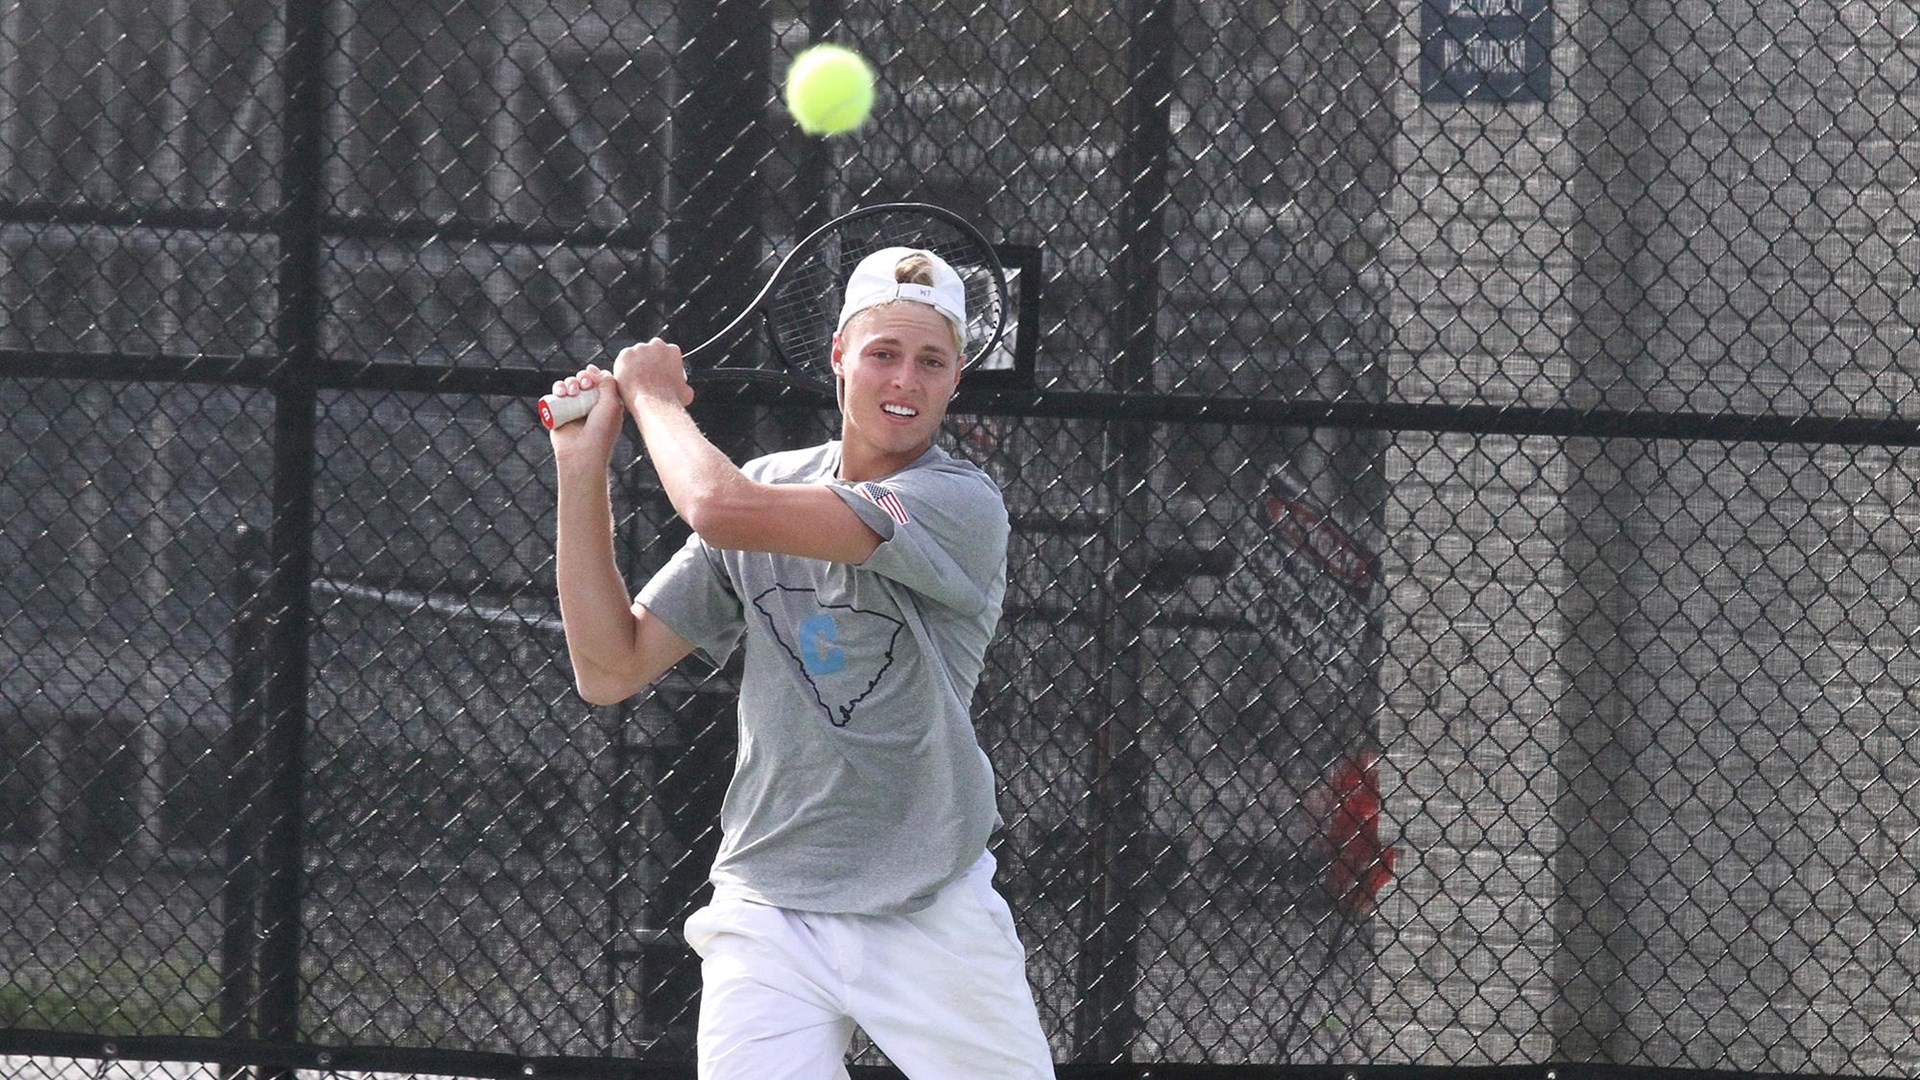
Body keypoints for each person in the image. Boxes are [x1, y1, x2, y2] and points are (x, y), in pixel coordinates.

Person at [546, 247, 1055, 1080]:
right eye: (884, 352)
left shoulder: (959, 502)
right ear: (839, 358)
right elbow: (609, 666)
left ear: (957, 377)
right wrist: (581, 468)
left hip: (926, 903)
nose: (906, 379)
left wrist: (650, 398)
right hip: (768, 906)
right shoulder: (770, 485)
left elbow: (715, 505)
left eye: (931, 361)